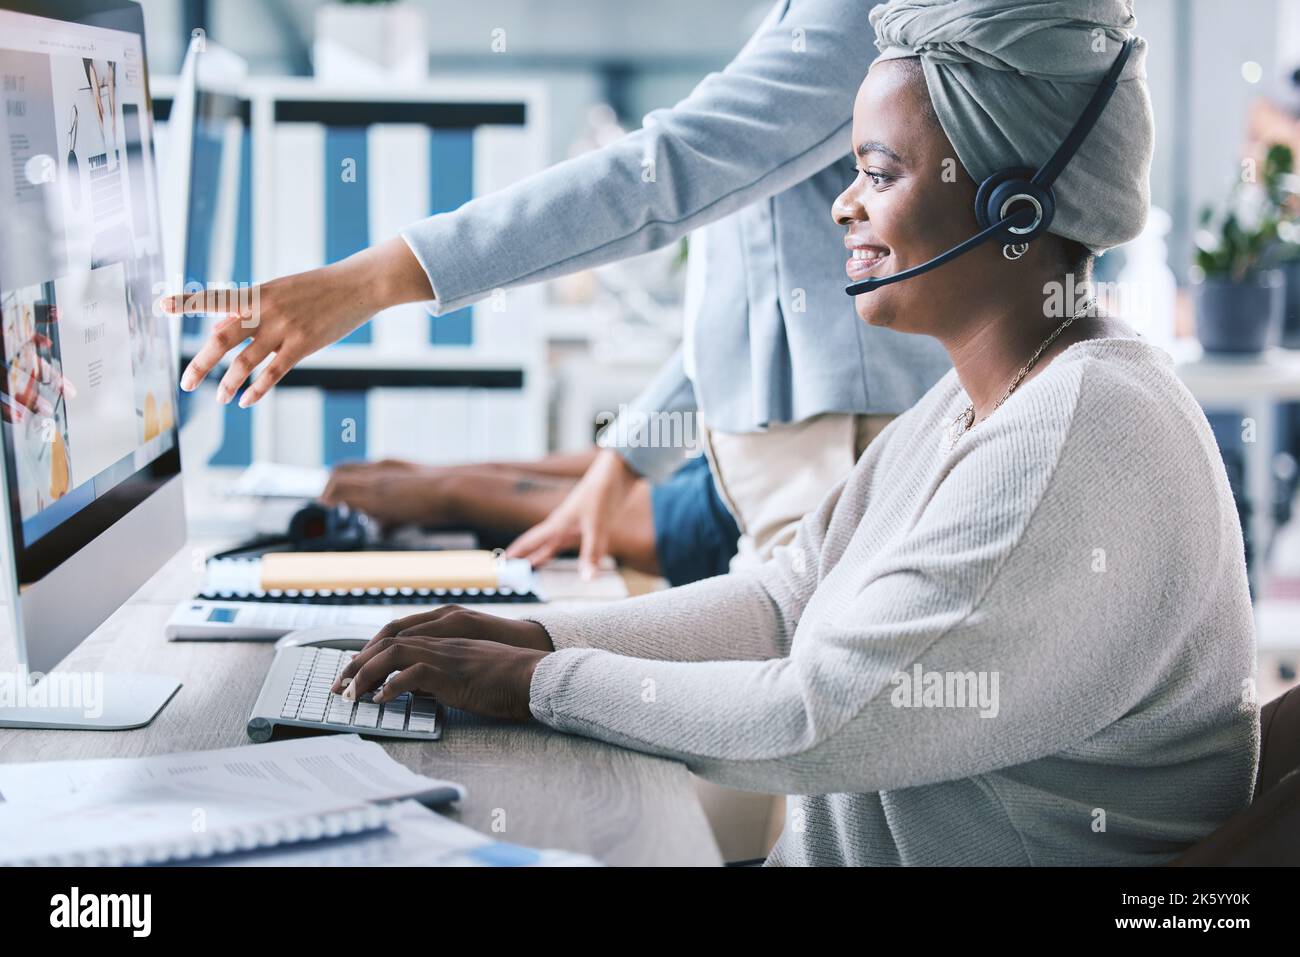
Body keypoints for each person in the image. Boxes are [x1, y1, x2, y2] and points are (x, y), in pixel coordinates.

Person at [325, 1, 1258, 866]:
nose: (842, 205)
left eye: (879, 174)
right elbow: (786, 602)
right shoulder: (989, 393)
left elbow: (820, 715)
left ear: (1012, 209)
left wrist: (534, 681)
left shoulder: (1076, 430)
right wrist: (529, 632)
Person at [167, 0, 951, 581]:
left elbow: (667, 173)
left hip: (829, 450)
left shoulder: (860, 14)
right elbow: (754, 299)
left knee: (785, 772)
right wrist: (623, 463)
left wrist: (372, 279)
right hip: (786, 454)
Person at [320, 452, 739, 587]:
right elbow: (622, 464)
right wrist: (435, 476)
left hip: (731, 517)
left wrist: (449, 491)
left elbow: (649, 521)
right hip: (720, 471)